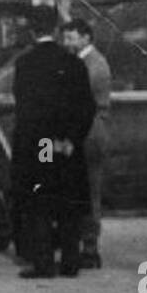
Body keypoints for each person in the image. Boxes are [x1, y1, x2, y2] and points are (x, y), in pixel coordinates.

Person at [10, 3, 96, 278]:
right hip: (67, 145)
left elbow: (25, 108)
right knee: (68, 201)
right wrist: (71, 139)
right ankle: (71, 262)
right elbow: (87, 106)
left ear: (32, 30)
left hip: (39, 145)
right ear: (57, 29)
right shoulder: (74, 62)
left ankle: (44, 263)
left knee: (40, 202)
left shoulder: (25, 64)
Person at [61, 18, 112, 269]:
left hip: (89, 131)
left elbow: (75, 96)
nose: (66, 43)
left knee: (89, 191)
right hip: (86, 129)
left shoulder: (94, 65)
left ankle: (90, 247)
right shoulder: (88, 62)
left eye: (71, 38)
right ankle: (84, 245)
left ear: (85, 38)